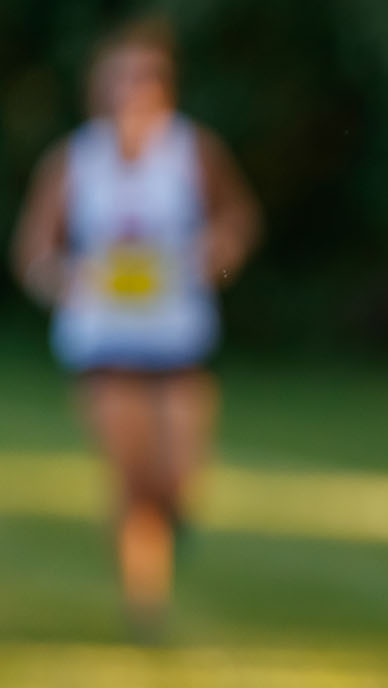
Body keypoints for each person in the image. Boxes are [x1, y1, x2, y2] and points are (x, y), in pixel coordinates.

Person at [10, 17, 260, 639]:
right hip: (103, 340)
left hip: (178, 337)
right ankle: (144, 604)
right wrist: (58, 278)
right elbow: (33, 250)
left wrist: (215, 253)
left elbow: (238, 220)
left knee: (178, 476)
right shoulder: (73, 162)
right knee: (133, 476)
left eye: (145, 79)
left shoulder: (192, 151)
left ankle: (171, 531)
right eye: (121, 80)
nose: (133, 93)